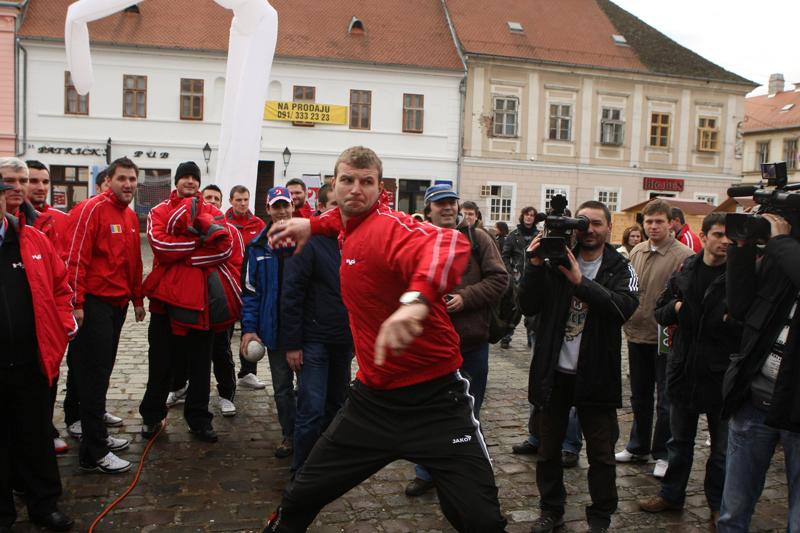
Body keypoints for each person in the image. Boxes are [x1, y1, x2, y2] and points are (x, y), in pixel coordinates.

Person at [262, 146, 506, 532]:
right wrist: (314, 225)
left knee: (480, 519)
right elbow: (343, 221)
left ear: (380, 188)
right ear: (333, 184)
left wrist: (416, 301)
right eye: (347, 180)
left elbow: (449, 244)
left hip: (437, 402)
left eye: (366, 182)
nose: (355, 189)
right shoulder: (347, 225)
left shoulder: (390, 226)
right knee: (300, 496)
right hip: (372, 403)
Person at [518, 200, 639, 533]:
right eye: (584, 223)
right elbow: (527, 304)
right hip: (554, 374)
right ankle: (551, 509)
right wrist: (534, 263)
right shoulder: (556, 258)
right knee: (548, 450)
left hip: (596, 374)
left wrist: (580, 282)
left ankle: (600, 517)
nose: (590, 230)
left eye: (598, 223)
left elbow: (623, 309)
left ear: (608, 227)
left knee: (601, 455)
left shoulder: (618, 265)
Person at [405, 184, 508, 497]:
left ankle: (463, 472)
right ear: (429, 209)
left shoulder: (478, 238)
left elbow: (500, 279)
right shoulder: (417, 239)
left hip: (470, 341)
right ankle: (427, 471)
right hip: (429, 345)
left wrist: (465, 297)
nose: (448, 208)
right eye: (441, 204)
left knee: (468, 412)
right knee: (428, 410)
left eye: (452, 202)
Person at [637, 213, 738, 528]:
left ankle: (718, 505)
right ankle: (671, 494)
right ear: (704, 235)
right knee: (678, 443)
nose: (724, 242)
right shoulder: (686, 270)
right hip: (683, 370)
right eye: (719, 235)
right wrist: (677, 309)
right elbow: (660, 313)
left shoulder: (739, 277)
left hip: (721, 375)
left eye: (730, 238)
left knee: (721, 450)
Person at [139, 161, 240, 444]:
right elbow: (160, 245)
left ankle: (198, 419)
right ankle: (151, 416)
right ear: (176, 181)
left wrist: (185, 258)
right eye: (184, 177)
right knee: (160, 364)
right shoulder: (159, 211)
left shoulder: (211, 211)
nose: (190, 182)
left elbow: (225, 248)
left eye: (194, 178)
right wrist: (199, 245)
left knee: (199, 367)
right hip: (165, 304)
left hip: (202, 304)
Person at [716, 210, 800, 532]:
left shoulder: (785, 250)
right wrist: (742, 247)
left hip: (796, 409)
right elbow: (739, 306)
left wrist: (780, 243)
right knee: (732, 513)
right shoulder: (782, 258)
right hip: (755, 400)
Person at [0, 180, 77, 532]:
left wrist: (62, 326)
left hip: (32, 361)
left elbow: (61, 287)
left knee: (36, 437)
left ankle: (44, 504)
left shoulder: (32, 240)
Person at [62, 157, 145, 474]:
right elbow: (75, 258)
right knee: (93, 374)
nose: (128, 184)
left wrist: (137, 298)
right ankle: (93, 451)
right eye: (122, 178)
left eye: (133, 179)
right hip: (94, 303)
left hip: (117, 305)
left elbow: (134, 261)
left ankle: (92, 430)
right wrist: (77, 302)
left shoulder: (131, 217)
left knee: (100, 370)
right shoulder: (92, 209)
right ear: (108, 180)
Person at [618, 199, 694, 478]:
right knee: (639, 395)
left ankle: (662, 452)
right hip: (636, 332)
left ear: (670, 223)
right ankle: (638, 446)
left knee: (666, 399)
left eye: (659, 221)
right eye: (649, 222)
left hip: (666, 337)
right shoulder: (636, 250)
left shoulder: (684, 255)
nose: (653, 226)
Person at [280, 185, 352, 471]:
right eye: (333, 205)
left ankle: (326, 465)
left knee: (337, 405)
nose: (339, 212)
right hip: (314, 341)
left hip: (343, 340)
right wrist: (293, 344)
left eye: (342, 206)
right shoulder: (307, 241)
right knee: (310, 408)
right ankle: (302, 472)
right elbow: (292, 294)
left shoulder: (352, 239)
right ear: (320, 207)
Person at [241, 187, 298, 458]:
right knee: (282, 389)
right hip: (274, 331)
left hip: (304, 330)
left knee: (310, 388)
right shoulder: (256, 247)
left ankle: (312, 435)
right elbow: (251, 293)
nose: (282, 211)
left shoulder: (305, 241)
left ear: (293, 207)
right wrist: (250, 329)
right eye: (277, 206)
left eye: (285, 205)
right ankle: (290, 435)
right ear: (268, 209)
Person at [501, 206, 539, 349]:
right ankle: (506, 336)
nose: (529, 217)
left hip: (533, 278)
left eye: (532, 215)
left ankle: (531, 336)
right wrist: (510, 272)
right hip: (517, 278)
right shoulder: (513, 235)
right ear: (522, 217)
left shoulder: (539, 235)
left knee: (532, 311)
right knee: (514, 310)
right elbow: (505, 256)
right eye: (526, 215)